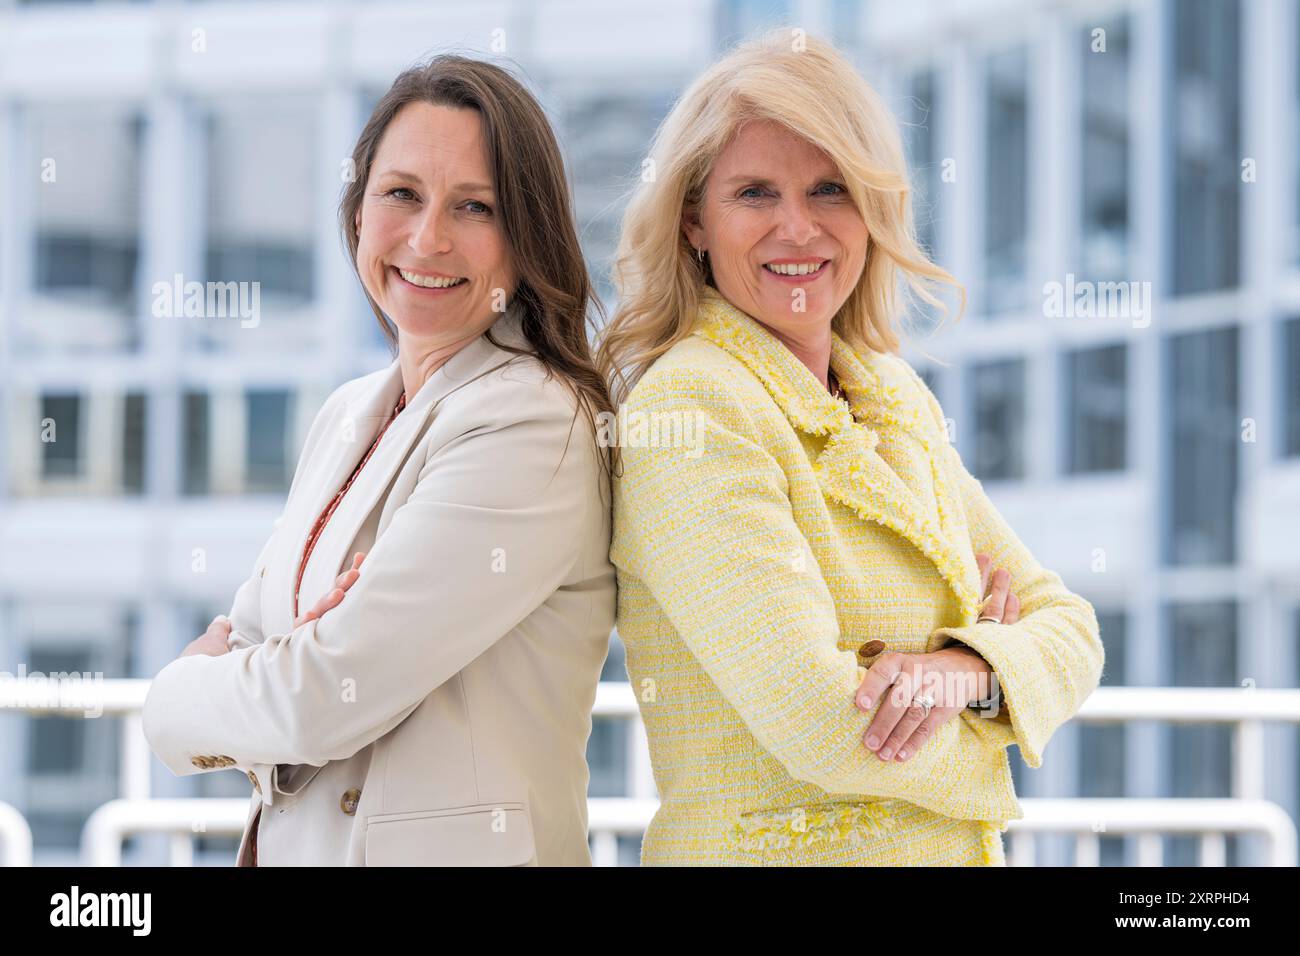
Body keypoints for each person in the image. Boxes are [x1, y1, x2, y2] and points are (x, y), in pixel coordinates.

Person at [597, 30, 1104, 865]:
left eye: (829, 189)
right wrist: (999, 719)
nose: (798, 228)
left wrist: (965, 670)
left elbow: (1071, 629)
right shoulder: (691, 410)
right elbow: (824, 723)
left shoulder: (890, 393)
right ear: (694, 221)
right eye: (755, 193)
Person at [143, 54, 616, 866]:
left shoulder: (535, 420)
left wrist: (174, 698)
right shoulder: (347, 414)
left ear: (524, 238)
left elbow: (324, 695)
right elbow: (262, 641)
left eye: (475, 206)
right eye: (401, 194)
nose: (427, 239)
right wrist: (288, 669)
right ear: (358, 211)